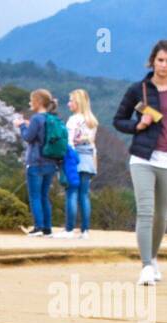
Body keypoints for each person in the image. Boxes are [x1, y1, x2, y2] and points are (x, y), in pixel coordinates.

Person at [113, 40, 167, 285]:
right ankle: (145, 267)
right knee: (146, 211)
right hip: (142, 158)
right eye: (160, 60)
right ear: (152, 61)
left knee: (161, 215)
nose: (163, 65)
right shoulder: (137, 89)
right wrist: (137, 125)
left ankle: (152, 258)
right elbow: (119, 120)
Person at [12, 89, 59, 237]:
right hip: (50, 163)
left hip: (36, 162)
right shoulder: (50, 118)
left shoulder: (37, 118)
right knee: (44, 196)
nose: (29, 103)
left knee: (35, 196)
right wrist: (28, 124)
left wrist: (21, 125)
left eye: (31, 100)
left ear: (38, 102)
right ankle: (47, 228)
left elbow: (28, 137)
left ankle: (38, 227)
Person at [59, 89, 98, 239]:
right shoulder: (92, 121)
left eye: (71, 101)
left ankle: (69, 229)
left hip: (75, 158)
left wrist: (67, 160)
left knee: (71, 194)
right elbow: (93, 144)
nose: (69, 104)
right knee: (84, 195)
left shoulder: (73, 120)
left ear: (77, 103)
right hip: (88, 159)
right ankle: (85, 230)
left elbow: (69, 142)